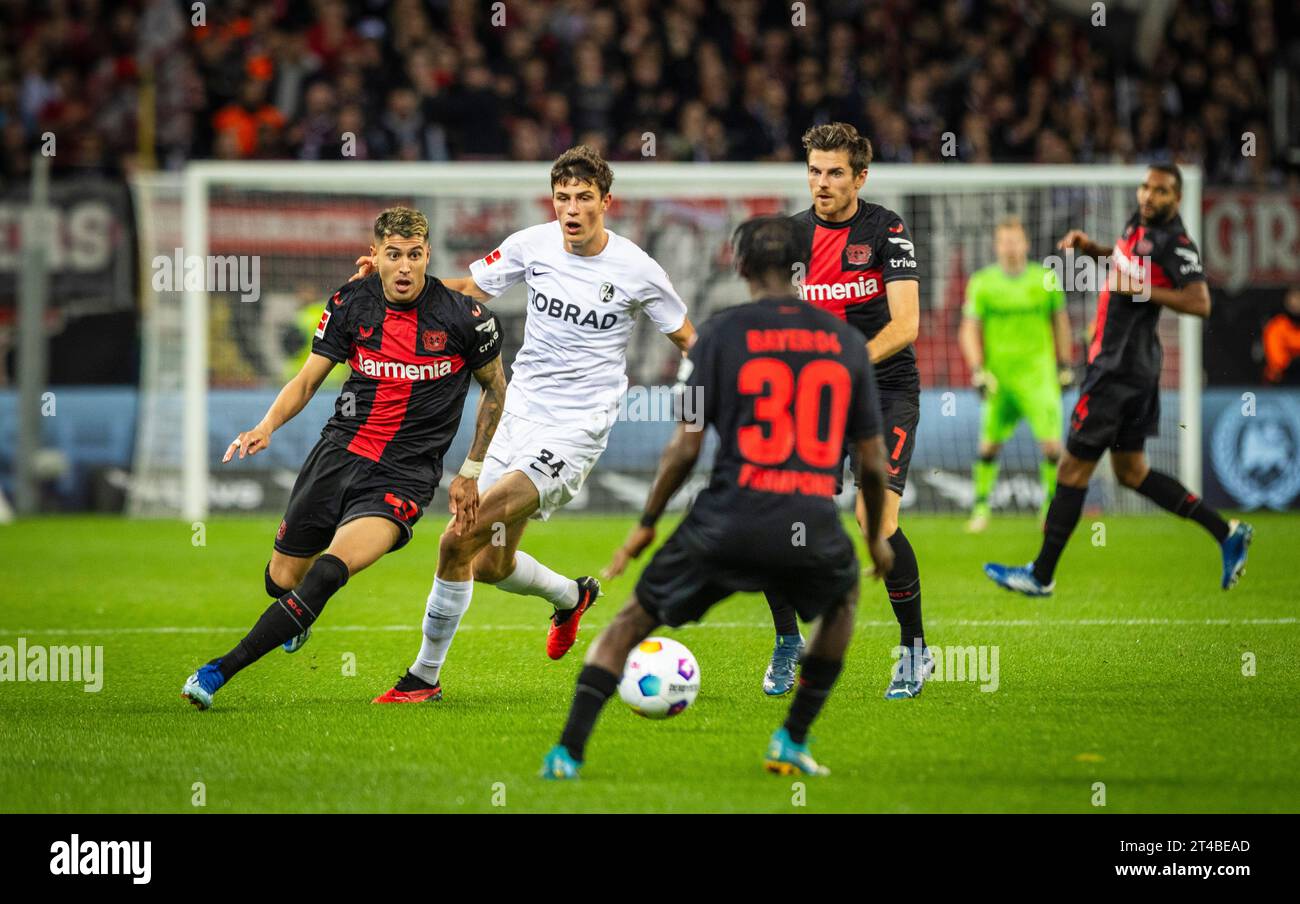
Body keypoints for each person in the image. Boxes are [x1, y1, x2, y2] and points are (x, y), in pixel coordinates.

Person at [545, 216, 893, 780]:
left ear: (741, 267)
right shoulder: (847, 342)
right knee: (844, 601)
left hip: (727, 517)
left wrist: (647, 524)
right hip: (809, 519)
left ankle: (567, 754)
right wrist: (877, 539)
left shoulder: (719, 336)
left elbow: (685, 449)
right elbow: (873, 464)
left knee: (631, 620)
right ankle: (791, 739)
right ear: (802, 267)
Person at [354, 146, 696, 703]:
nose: (572, 209)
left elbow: (689, 339)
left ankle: (423, 678)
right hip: (517, 413)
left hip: (576, 429)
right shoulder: (530, 245)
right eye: (563, 198)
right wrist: (396, 277)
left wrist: (713, 388)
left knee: (457, 538)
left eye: (584, 198)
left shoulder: (637, 269)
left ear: (606, 202)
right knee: (490, 563)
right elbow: (466, 291)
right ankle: (571, 596)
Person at [181, 207, 506, 709]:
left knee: (330, 573)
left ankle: (218, 670)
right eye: (393, 255)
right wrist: (265, 427)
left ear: (428, 256)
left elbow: (495, 391)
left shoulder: (465, 318)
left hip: (405, 473)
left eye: (414, 255)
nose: (403, 267)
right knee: (283, 581)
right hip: (338, 454)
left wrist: (470, 470)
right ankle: (296, 612)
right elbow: (308, 379)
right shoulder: (352, 301)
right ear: (374, 256)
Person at [984, 164, 1253, 597]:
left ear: (1177, 199)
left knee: (1072, 469)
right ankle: (1225, 533)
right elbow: (1127, 262)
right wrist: (1093, 248)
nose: (1149, 195)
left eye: (1161, 191)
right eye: (1146, 187)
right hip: (1133, 370)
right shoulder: (1139, 224)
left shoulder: (1176, 242)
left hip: (1116, 373)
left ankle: (1041, 574)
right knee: (1131, 471)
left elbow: (1200, 302)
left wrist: (1141, 290)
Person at [958, 215, 1073, 532]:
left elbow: (1060, 323)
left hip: (1039, 376)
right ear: (996, 246)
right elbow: (969, 330)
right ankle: (980, 509)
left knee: (1051, 446)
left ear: (1026, 244)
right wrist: (977, 370)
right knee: (988, 447)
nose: (1010, 247)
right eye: (1004, 241)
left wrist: (1065, 365)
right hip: (1000, 378)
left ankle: (1050, 509)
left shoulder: (1045, 278)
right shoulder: (982, 282)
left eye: (1015, 240)